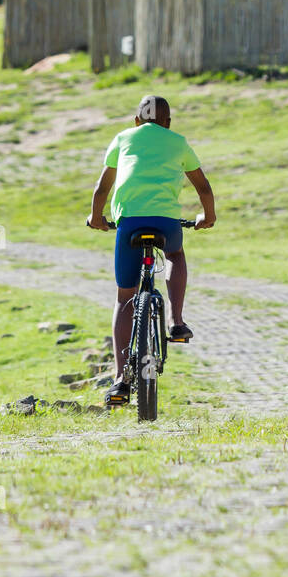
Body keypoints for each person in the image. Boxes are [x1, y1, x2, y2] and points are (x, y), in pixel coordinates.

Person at [88, 94, 216, 406]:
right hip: (166, 222)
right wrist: (207, 217)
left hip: (129, 222)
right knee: (174, 255)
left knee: (124, 298)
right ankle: (176, 321)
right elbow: (203, 187)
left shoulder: (123, 138)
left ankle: (120, 379)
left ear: (136, 121)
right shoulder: (178, 141)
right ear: (168, 123)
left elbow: (102, 187)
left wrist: (96, 217)